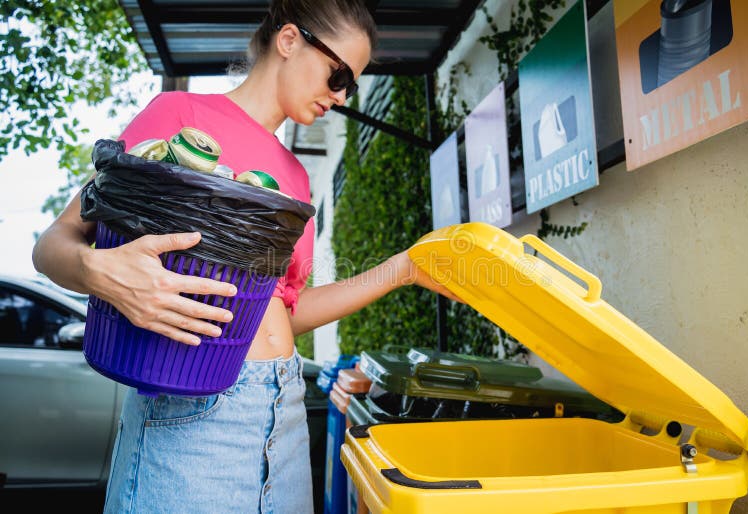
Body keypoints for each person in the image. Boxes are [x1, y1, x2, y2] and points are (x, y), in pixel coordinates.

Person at [32, 1, 458, 512]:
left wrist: (402, 269)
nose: (342, 95)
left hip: (286, 413)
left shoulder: (295, 179)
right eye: (338, 73)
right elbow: (52, 243)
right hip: (191, 417)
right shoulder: (180, 117)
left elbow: (284, 313)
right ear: (289, 41)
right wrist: (101, 273)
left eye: (353, 85)